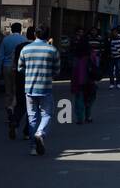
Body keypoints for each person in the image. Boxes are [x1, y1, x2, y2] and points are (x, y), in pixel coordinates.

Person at [19, 28, 60, 156]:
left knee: (32, 117)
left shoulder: (25, 49)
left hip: (29, 88)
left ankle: (33, 148)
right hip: (45, 87)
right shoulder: (52, 50)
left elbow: (20, 68)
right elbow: (57, 70)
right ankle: (40, 132)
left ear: (35, 34)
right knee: (47, 114)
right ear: (48, 36)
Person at [70, 31, 97, 124]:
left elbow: (73, 68)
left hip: (78, 79)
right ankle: (88, 116)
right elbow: (95, 65)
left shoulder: (76, 55)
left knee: (79, 98)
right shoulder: (91, 53)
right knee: (89, 98)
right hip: (89, 80)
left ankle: (79, 118)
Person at [106, 25, 120, 91]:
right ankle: (111, 83)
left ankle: (118, 83)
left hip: (118, 57)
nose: (114, 33)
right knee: (111, 70)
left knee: (118, 70)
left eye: (116, 32)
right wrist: (109, 55)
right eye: (113, 32)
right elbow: (107, 48)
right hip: (111, 57)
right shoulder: (109, 39)